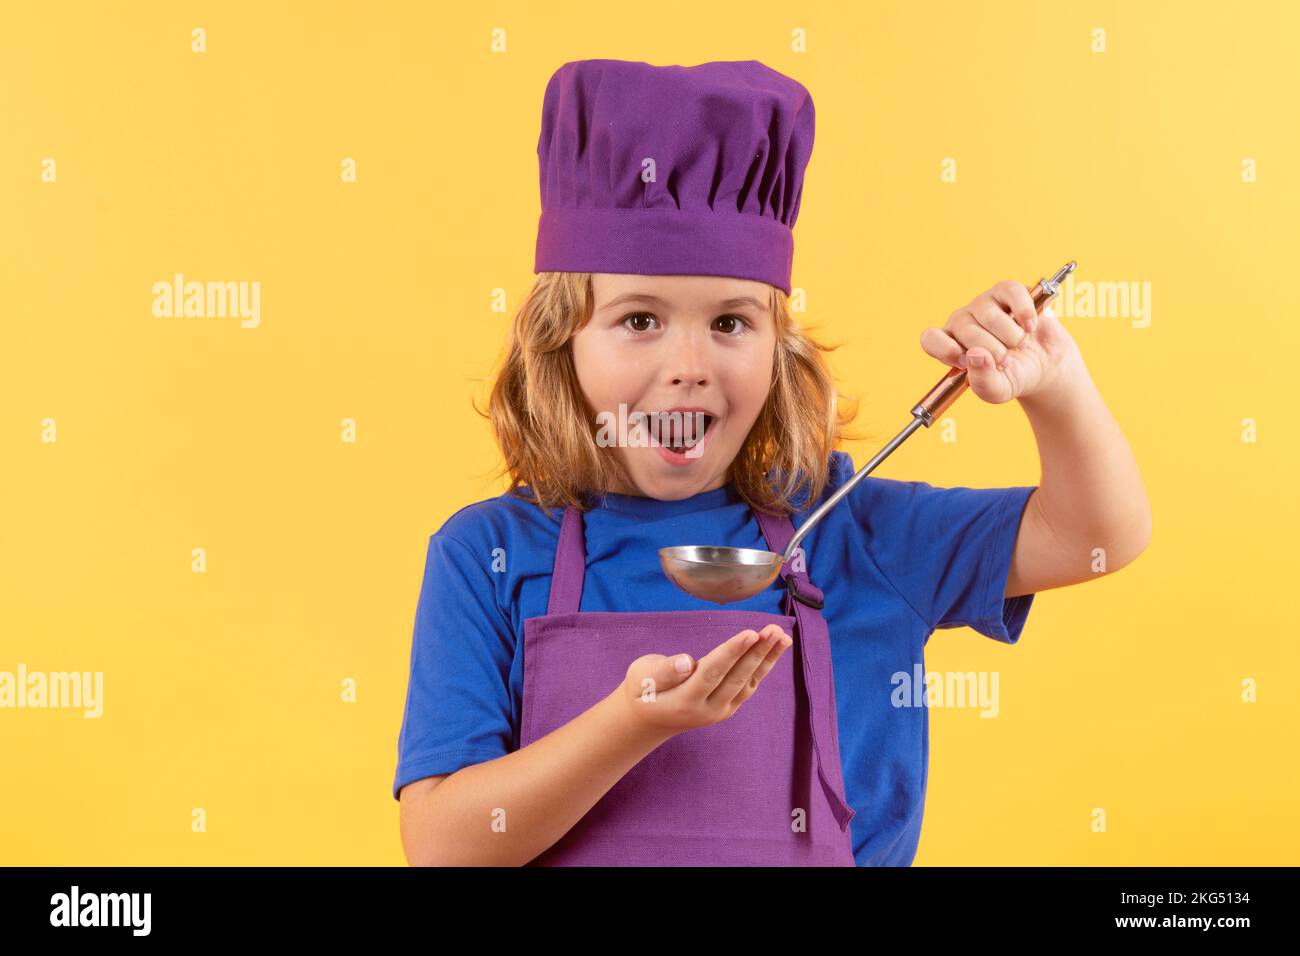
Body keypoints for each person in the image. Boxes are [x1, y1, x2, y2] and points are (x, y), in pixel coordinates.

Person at [393, 58, 1151, 866]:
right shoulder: (486, 555)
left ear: (777, 348)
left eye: (730, 323)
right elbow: (446, 848)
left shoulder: (851, 529)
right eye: (640, 318)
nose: (689, 363)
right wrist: (631, 723)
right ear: (560, 343)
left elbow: (1098, 537)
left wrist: (1055, 383)